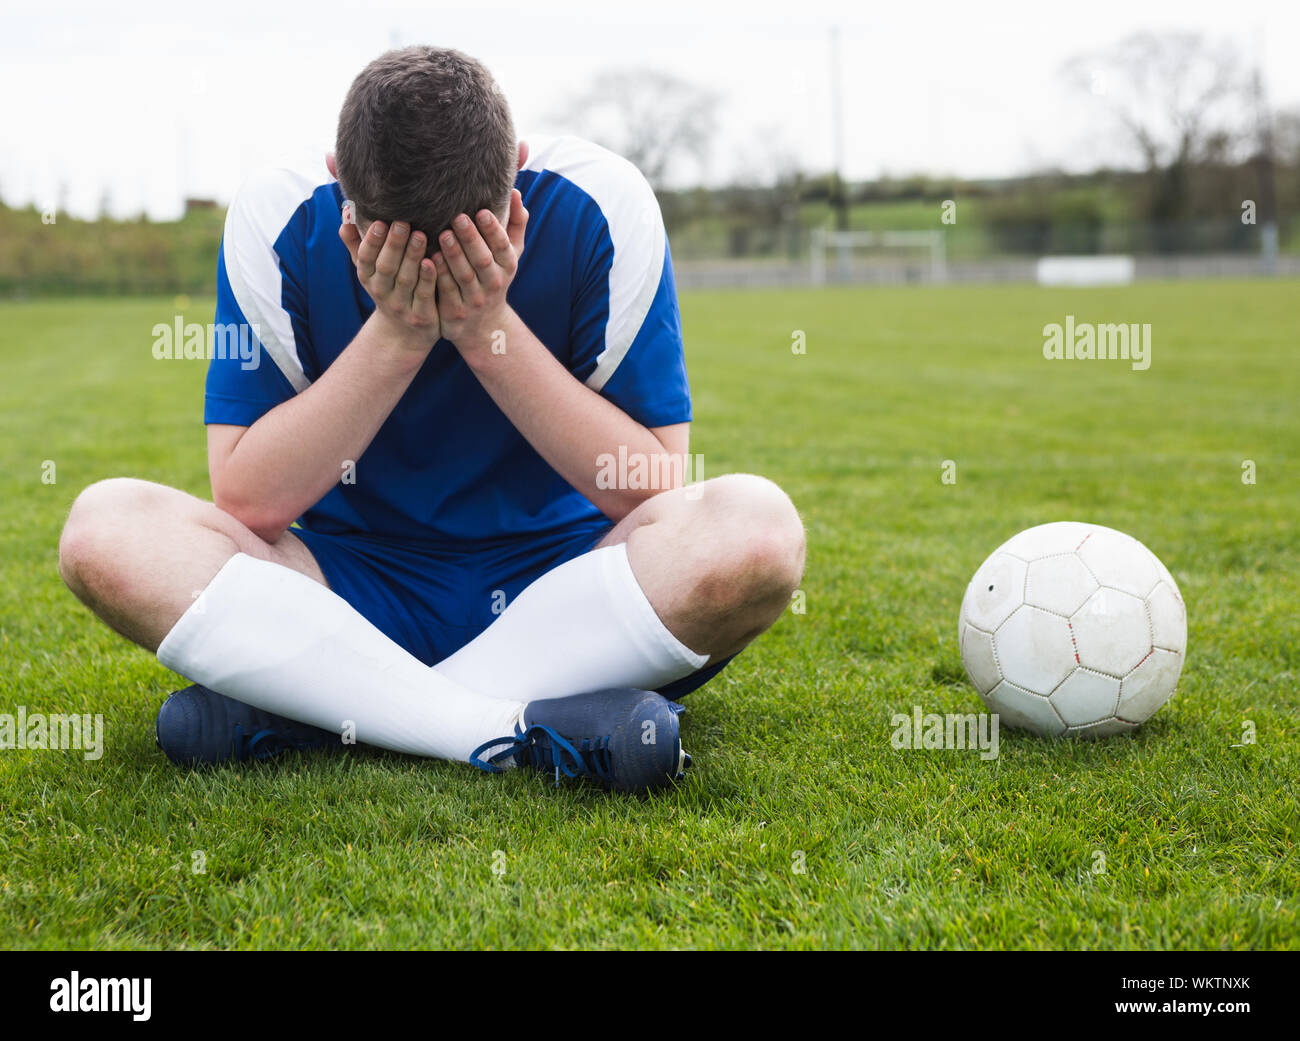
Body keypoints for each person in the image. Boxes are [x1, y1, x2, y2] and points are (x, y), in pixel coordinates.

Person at [57, 46, 805, 794]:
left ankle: (315, 711)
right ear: (335, 181)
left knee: (758, 533)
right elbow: (249, 499)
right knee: (105, 529)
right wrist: (399, 332)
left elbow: (651, 487)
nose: (431, 268)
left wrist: (486, 330)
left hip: (567, 592)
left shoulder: (604, 202)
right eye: (396, 247)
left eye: (461, 242)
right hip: (344, 587)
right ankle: (509, 728)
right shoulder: (276, 214)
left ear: (517, 168)